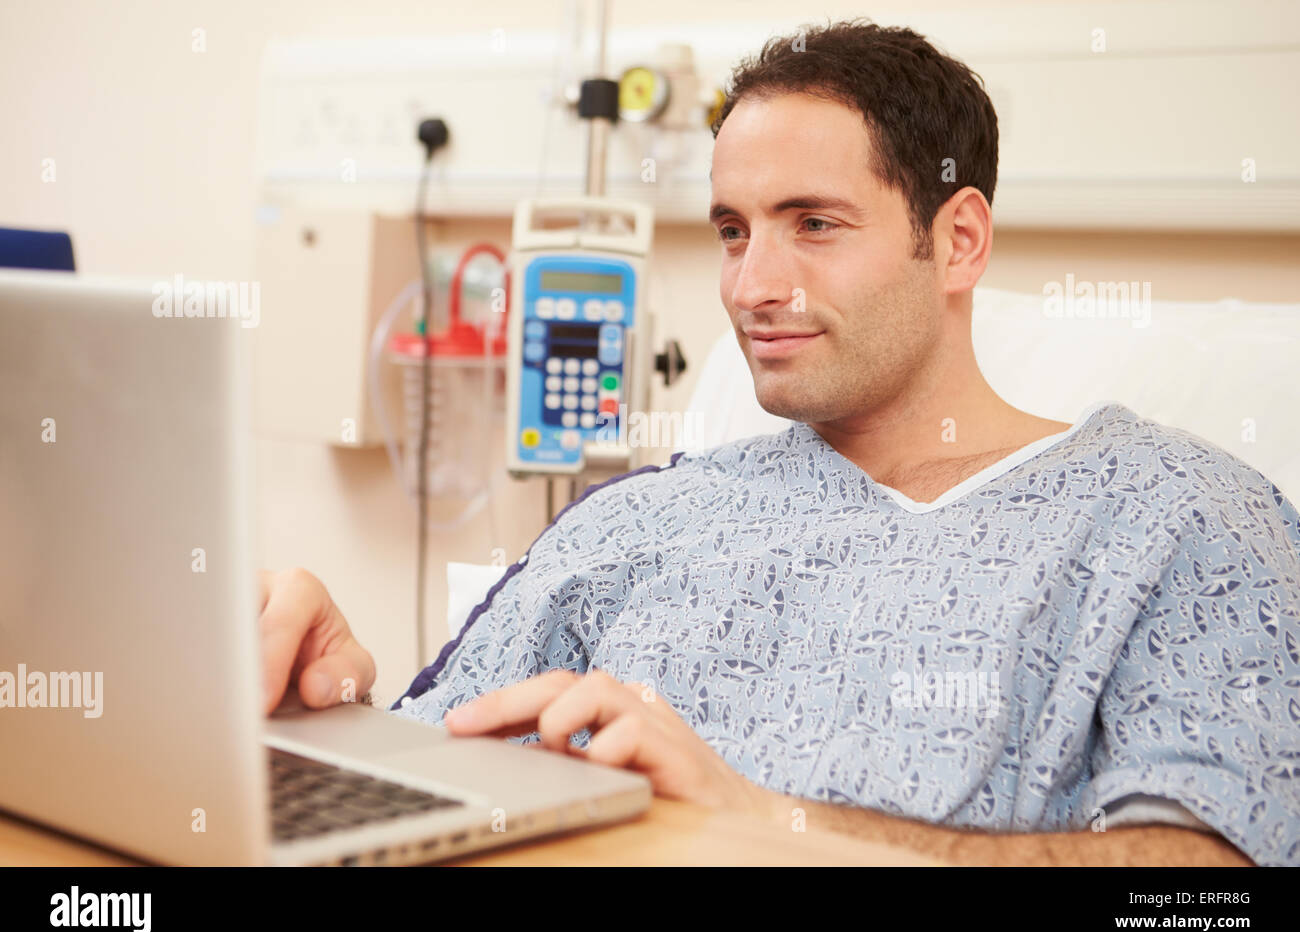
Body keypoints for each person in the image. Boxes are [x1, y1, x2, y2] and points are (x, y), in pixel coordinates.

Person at [259, 19, 1300, 866]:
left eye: (813, 224)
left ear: (958, 239)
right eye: (731, 229)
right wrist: (327, 705)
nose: (752, 285)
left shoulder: (1179, 518)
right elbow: (435, 769)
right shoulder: (637, 518)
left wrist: (757, 820)